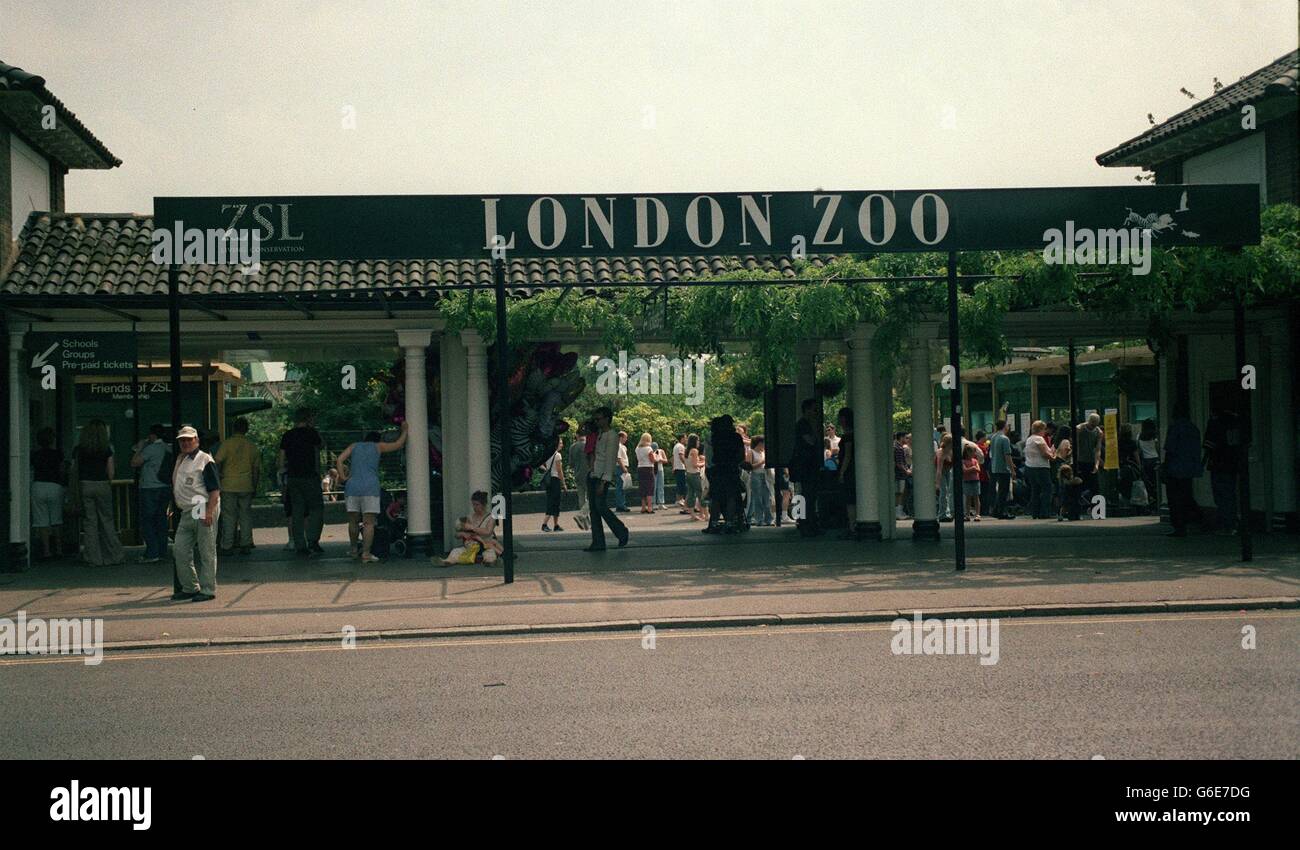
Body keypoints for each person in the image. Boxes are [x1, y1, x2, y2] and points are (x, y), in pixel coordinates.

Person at [336, 421, 408, 562]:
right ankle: (366, 554)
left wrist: (344, 477)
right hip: (370, 487)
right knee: (369, 522)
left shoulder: (354, 446)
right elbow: (398, 444)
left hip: (352, 487)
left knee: (353, 522)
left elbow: (339, 460)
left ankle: (353, 550)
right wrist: (404, 430)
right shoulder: (378, 446)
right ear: (378, 440)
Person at [170, 425, 220, 602]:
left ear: (196, 440)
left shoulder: (204, 459)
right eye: (182, 440)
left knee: (207, 549)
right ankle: (190, 586)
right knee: (180, 549)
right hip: (187, 508)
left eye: (189, 439)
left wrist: (209, 512)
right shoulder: (181, 459)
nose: (185, 443)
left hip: (201, 504)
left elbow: (214, 490)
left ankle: (207, 589)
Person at [71, 419, 125, 567]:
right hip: (102, 484)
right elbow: (111, 473)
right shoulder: (106, 449)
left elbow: (74, 470)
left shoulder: (79, 449)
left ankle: (93, 558)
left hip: (85, 485)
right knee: (106, 520)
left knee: (90, 522)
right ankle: (114, 555)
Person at [279, 409, 326, 557]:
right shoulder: (312, 434)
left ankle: (300, 545)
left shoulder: (287, 435)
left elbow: (281, 458)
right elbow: (322, 445)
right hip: (310, 476)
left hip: (293, 477)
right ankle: (313, 540)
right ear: (308, 419)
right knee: (316, 509)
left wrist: (282, 474)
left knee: (297, 511)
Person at [585, 407, 629, 551]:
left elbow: (610, 460)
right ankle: (598, 541)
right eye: (596, 419)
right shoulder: (598, 434)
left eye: (599, 419)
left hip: (601, 476)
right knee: (594, 510)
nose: (596, 421)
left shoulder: (612, 436)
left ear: (607, 418)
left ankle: (621, 531)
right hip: (594, 474)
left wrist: (604, 481)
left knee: (600, 507)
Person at [214, 417, 259, 557]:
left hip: (228, 484)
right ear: (247, 429)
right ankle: (246, 543)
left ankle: (227, 545)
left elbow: (217, 462)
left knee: (228, 516)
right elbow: (256, 469)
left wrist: (220, 476)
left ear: (233, 428)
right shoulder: (252, 446)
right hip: (246, 485)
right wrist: (254, 486)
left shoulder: (227, 444)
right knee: (245, 515)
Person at [130, 424, 171, 564]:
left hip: (149, 487)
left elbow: (135, 462)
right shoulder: (168, 448)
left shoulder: (151, 448)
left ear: (152, 435)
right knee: (161, 520)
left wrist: (141, 447)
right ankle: (162, 551)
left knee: (147, 521)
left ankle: (152, 552)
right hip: (165, 487)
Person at [1203, 401, 1243, 535]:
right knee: (1230, 494)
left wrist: (1203, 462)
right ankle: (1233, 522)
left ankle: (1226, 524)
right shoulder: (1236, 420)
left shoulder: (1214, 422)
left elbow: (1209, 445)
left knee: (1220, 495)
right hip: (1232, 463)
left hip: (1218, 463)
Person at [1164, 404, 1203, 537]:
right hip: (1189, 467)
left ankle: (1179, 526)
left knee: (1174, 499)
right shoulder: (1193, 428)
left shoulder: (1174, 428)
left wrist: (1165, 466)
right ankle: (1198, 519)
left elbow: (1170, 449)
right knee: (1186, 495)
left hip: (1175, 467)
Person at [31, 427, 67, 562]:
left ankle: (46, 551)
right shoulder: (58, 454)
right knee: (56, 520)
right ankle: (59, 549)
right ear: (52, 440)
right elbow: (62, 470)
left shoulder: (34, 454)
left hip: (38, 485)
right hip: (54, 486)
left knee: (41, 521)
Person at [705, 415, 744, 534]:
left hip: (718, 470)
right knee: (731, 496)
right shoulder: (736, 437)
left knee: (716, 497)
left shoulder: (716, 437)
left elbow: (711, 456)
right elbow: (741, 455)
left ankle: (714, 523)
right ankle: (730, 522)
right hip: (731, 469)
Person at [439, 490, 500, 566]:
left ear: (483, 505)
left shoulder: (491, 517)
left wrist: (472, 527)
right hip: (472, 545)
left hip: (485, 544)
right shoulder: (470, 517)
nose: (474, 507)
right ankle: (447, 562)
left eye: (477, 505)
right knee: (455, 551)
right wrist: (463, 534)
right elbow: (460, 533)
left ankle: (490, 562)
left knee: (490, 553)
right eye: (473, 504)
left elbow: (488, 532)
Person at [792, 399, 823, 536]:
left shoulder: (804, 424)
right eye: (814, 409)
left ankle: (807, 523)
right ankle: (806, 523)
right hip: (806, 466)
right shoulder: (804, 425)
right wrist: (816, 431)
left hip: (808, 465)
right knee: (807, 495)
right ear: (807, 410)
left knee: (808, 495)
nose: (816, 413)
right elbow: (810, 441)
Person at [1023, 420, 1056, 519]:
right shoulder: (1039, 439)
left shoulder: (1029, 439)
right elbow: (1044, 453)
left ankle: (1035, 512)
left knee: (1035, 490)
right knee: (1047, 489)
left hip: (1030, 467)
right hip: (1041, 467)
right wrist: (1053, 457)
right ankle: (1045, 512)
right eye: (1044, 429)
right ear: (1041, 429)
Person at [835, 408, 856, 537]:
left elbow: (847, 455)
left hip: (848, 471)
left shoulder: (848, 436)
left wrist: (842, 472)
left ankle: (852, 526)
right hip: (852, 469)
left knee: (850, 499)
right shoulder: (853, 434)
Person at [988, 420, 1015, 519]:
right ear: (1005, 426)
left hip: (995, 467)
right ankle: (1002, 511)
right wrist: (1012, 469)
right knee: (1004, 491)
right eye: (1007, 425)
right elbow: (1007, 455)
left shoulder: (993, 437)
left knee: (999, 490)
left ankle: (996, 510)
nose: (1008, 426)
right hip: (1003, 468)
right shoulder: (1005, 439)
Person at [1074, 413, 1104, 498]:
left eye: (1095, 425)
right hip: (1080, 460)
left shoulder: (1098, 432)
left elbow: (1098, 449)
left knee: (1095, 486)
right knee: (1080, 483)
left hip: (1090, 460)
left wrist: (1097, 464)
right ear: (1089, 421)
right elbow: (1076, 445)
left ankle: (1094, 505)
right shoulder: (1079, 429)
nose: (1093, 426)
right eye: (1092, 424)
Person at [540, 434, 565, 532]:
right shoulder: (558, 455)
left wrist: (546, 470)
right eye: (560, 443)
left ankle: (556, 525)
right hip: (555, 480)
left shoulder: (548, 454)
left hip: (549, 481)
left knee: (552, 501)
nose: (562, 445)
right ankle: (544, 523)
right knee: (554, 502)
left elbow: (541, 465)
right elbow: (559, 471)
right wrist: (564, 483)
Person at [569, 422, 591, 530]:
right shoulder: (588, 445)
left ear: (577, 435)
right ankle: (582, 515)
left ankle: (586, 524)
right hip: (589, 474)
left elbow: (571, 463)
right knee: (592, 497)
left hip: (577, 474)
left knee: (581, 497)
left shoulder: (572, 447)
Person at [747, 435, 773, 526]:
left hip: (765, 476)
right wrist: (762, 462)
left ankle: (768, 519)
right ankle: (759, 520)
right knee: (757, 499)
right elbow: (749, 466)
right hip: (755, 475)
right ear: (759, 443)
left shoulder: (763, 452)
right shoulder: (751, 452)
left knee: (767, 498)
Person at [684, 434, 707, 522]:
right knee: (701, 494)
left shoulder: (687, 450)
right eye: (698, 440)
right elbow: (695, 465)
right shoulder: (694, 450)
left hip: (688, 474)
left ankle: (693, 515)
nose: (699, 442)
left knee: (690, 494)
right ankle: (706, 514)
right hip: (695, 474)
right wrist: (704, 463)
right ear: (694, 441)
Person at [935, 433, 954, 522]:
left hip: (947, 471)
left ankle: (948, 512)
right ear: (948, 443)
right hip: (939, 472)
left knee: (949, 492)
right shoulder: (940, 452)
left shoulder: (951, 451)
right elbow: (939, 469)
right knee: (943, 492)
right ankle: (942, 514)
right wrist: (937, 484)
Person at [635, 432, 656, 514]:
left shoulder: (637, 448)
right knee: (649, 487)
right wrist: (656, 458)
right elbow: (652, 460)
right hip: (648, 468)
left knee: (642, 487)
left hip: (640, 468)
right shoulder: (649, 449)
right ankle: (650, 507)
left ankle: (643, 507)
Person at [961, 443, 982, 521]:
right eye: (973, 452)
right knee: (968, 498)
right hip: (967, 481)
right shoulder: (963, 461)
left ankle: (978, 514)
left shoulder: (975, 461)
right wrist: (973, 468)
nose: (974, 454)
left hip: (975, 480)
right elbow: (964, 470)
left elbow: (978, 470)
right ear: (968, 452)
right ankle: (967, 514)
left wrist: (972, 468)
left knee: (976, 497)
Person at [893, 432, 911, 520]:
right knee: (900, 493)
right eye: (906, 437)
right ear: (901, 438)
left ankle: (898, 511)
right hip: (900, 475)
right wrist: (907, 471)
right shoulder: (899, 448)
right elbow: (899, 463)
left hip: (897, 474)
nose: (907, 439)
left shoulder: (895, 446)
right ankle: (898, 512)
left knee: (897, 493)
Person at [672, 433, 688, 508]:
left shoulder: (676, 446)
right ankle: (679, 500)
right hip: (681, 468)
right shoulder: (681, 446)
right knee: (681, 485)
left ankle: (679, 500)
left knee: (680, 484)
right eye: (685, 438)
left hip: (677, 467)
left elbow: (673, 458)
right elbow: (681, 456)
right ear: (682, 439)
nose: (686, 439)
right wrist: (686, 464)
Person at [651, 441, 668, 511]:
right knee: (653, 487)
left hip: (660, 470)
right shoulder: (650, 452)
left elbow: (666, 460)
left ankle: (661, 503)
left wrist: (661, 460)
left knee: (661, 486)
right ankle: (653, 503)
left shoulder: (661, 451)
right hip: (653, 470)